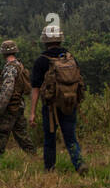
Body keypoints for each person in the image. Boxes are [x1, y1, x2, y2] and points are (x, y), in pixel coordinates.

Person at [28, 23, 86, 173]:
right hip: (70, 103)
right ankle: (79, 164)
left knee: (49, 139)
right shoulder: (69, 57)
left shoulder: (41, 60)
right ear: (61, 39)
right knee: (70, 137)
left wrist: (32, 112)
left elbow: (35, 89)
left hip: (50, 106)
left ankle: (50, 169)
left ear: (45, 40)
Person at [0, 40, 35, 157]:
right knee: (22, 134)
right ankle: (33, 155)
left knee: (0, 135)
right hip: (18, 105)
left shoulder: (10, 68)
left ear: (3, 53)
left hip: (10, 107)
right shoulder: (19, 65)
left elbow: (7, 90)